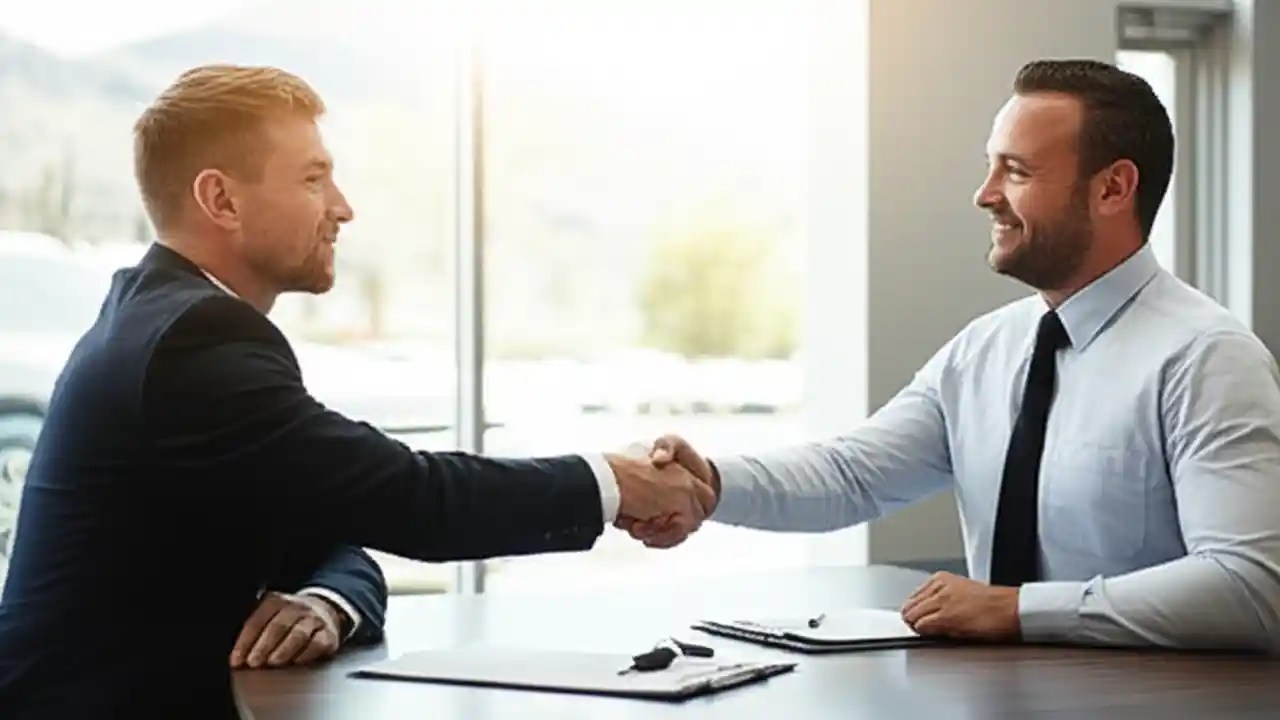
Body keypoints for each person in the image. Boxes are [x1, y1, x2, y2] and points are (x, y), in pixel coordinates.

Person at [0, 64, 713, 718]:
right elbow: (408, 498)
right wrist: (613, 485)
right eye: (313, 179)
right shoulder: (190, 344)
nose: (343, 208)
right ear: (220, 199)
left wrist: (326, 601)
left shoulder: (161, 317)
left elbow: (330, 531)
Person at [634, 59, 1280, 652]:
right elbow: (853, 474)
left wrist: (1019, 609)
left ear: (1113, 188)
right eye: (991, 166)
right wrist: (711, 484)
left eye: (1017, 172)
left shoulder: (1207, 360)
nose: (985, 193)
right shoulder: (986, 350)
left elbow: (1249, 588)